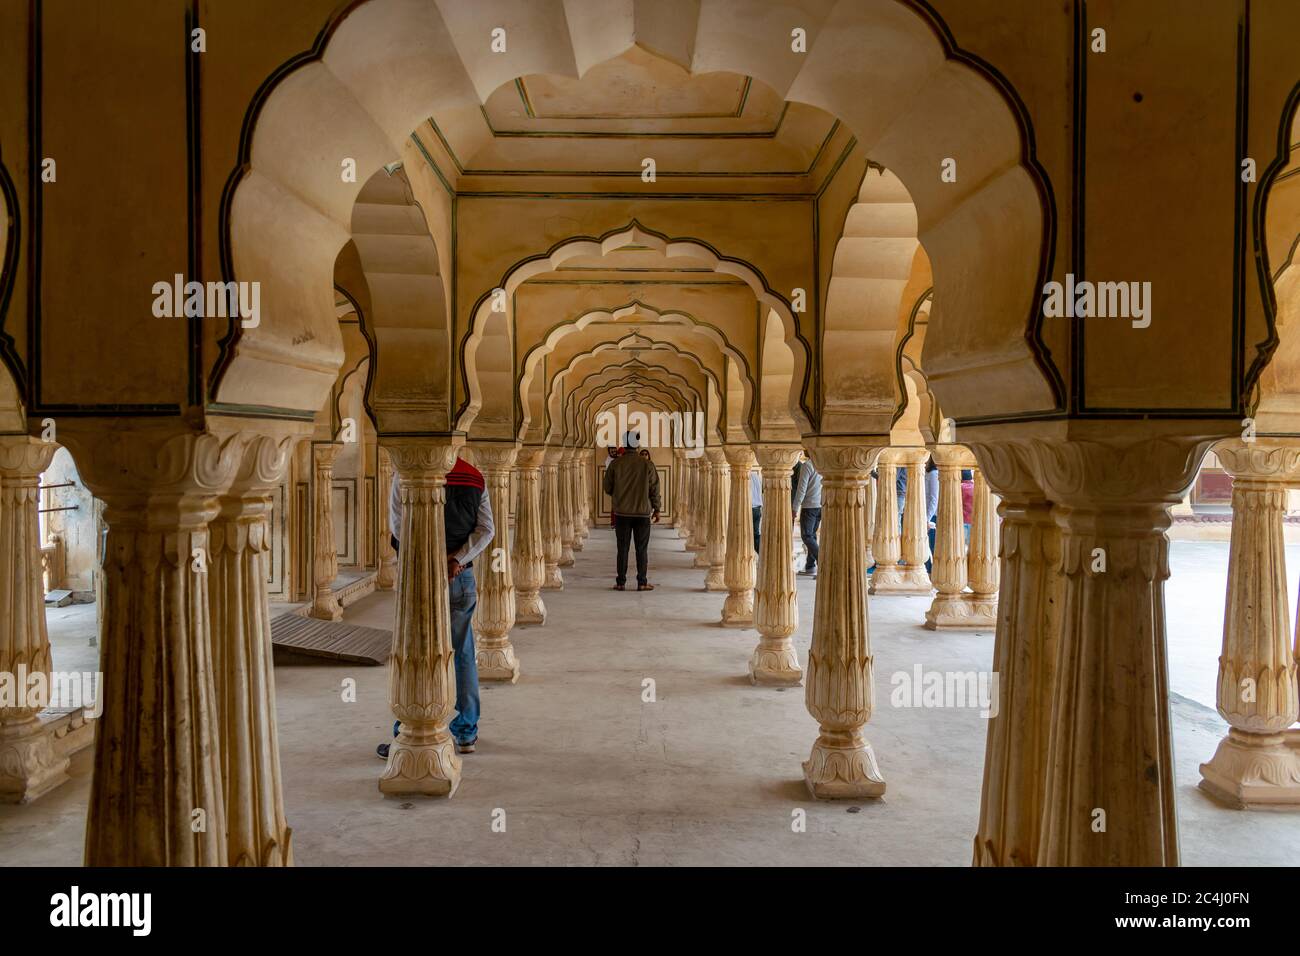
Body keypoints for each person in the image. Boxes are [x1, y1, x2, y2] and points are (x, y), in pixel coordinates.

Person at [378, 455, 493, 759]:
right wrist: (455, 560)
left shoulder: (407, 471)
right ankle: (466, 730)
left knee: (415, 648)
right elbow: (486, 529)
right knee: (463, 653)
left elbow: (397, 523)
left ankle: (410, 729)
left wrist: (426, 558)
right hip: (460, 577)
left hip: (419, 575)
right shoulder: (474, 478)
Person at [602, 431, 661, 590]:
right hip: (642, 514)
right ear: (637, 444)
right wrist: (657, 509)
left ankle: (621, 583)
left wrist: (619, 493)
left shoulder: (616, 464)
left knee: (623, 549)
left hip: (622, 513)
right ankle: (642, 582)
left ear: (624, 444)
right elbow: (654, 489)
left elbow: (607, 487)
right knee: (642, 549)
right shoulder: (647, 464)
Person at [791, 451, 823, 576]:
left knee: (807, 536)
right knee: (812, 535)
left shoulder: (807, 466)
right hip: (820, 505)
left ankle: (822, 560)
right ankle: (810, 566)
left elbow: (801, 489)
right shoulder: (822, 465)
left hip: (809, 506)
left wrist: (794, 508)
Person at [750, 463, 763, 554]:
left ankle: (761, 553)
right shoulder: (756, 476)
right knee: (756, 533)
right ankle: (762, 553)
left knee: (751, 534)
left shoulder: (744, 478)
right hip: (758, 508)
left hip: (750, 508)